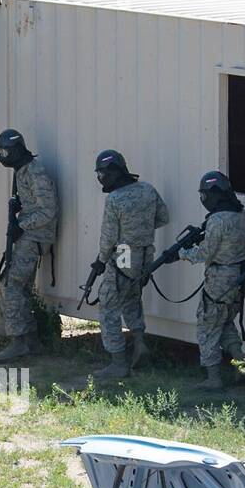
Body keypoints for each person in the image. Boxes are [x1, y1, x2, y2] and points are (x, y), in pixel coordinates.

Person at [92, 149, 169, 380]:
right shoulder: (147, 190)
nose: (100, 178)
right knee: (132, 300)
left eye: (102, 173)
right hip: (145, 254)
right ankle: (139, 343)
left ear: (113, 172)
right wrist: (140, 232)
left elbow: (108, 238)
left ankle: (118, 363)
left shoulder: (114, 199)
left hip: (123, 255)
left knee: (108, 306)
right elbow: (163, 217)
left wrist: (101, 260)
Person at [0, 129, 59, 364]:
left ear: (17, 150)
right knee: (18, 286)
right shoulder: (22, 170)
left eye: (5, 152)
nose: (1, 156)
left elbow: (48, 210)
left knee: (10, 284)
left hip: (35, 235)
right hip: (29, 234)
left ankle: (19, 341)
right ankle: (30, 341)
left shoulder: (34, 172)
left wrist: (22, 226)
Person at [180, 170, 245, 390]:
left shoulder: (217, 219)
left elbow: (205, 253)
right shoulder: (240, 214)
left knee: (207, 325)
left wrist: (183, 253)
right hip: (240, 276)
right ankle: (241, 363)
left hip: (220, 279)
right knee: (225, 321)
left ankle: (213, 378)